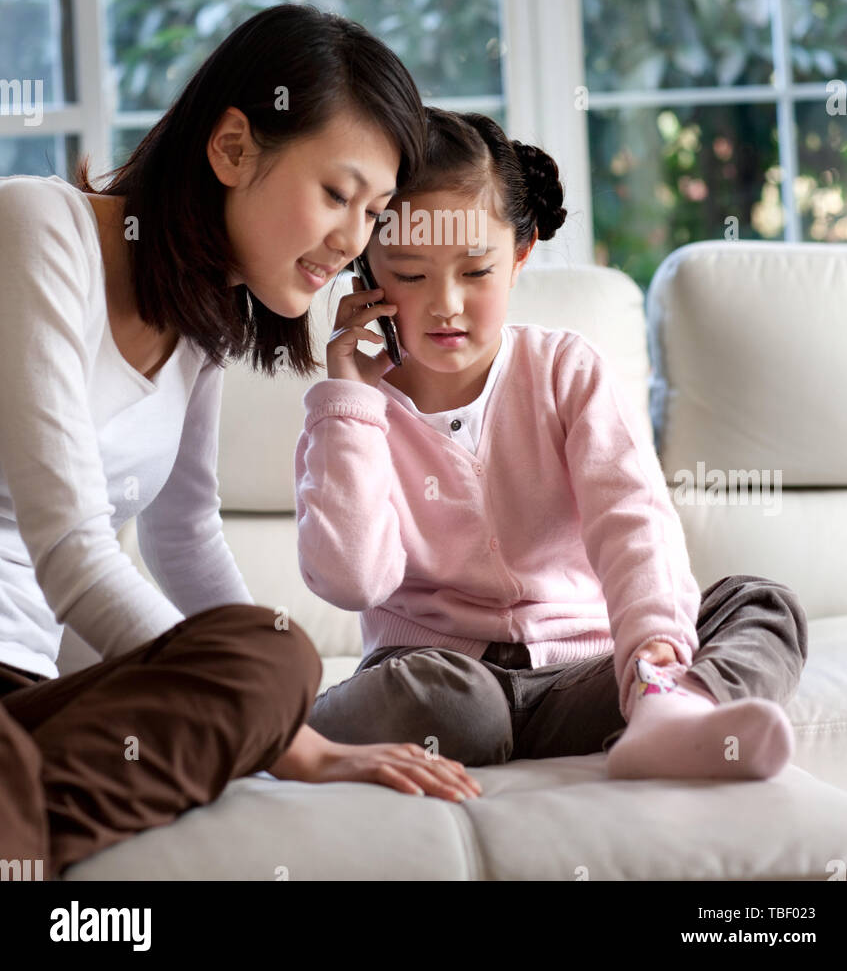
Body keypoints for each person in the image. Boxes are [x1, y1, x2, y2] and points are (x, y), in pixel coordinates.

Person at [0, 5, 481, 883]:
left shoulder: (201, 328)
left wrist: (277, 702)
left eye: (374, 213)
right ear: (232, 149)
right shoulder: (39, 228)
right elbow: (70, 545)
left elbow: (182, 537)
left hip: (29, 694)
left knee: (276, 648)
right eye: (337, 195)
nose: (353, 242)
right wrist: (290, 744)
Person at [297, 106, 809, 780]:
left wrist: (651, 659)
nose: (446, 304)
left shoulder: (566, 371)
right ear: (365, 271)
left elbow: (634, 525)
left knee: (762, 604)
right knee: (456, 706)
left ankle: (668, 714)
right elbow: (352, 579)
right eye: (411, 275)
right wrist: (352, 402)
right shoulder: (352, 413)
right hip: (447, 687)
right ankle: (292, 733)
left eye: (475, 272)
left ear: (519, 255)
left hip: (592, 678)